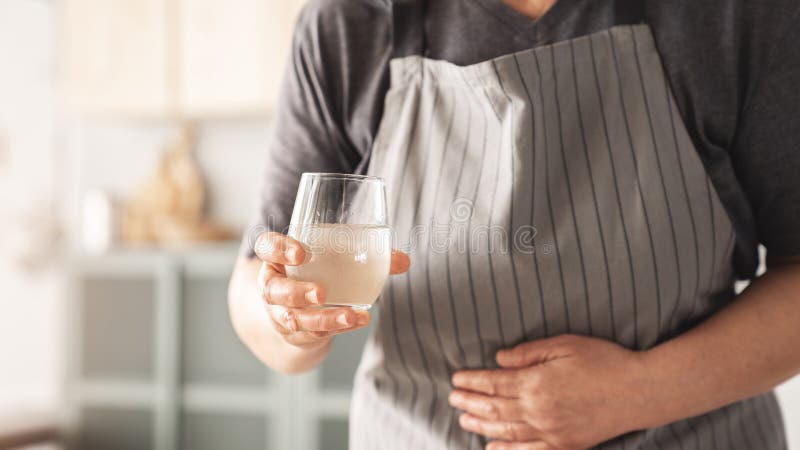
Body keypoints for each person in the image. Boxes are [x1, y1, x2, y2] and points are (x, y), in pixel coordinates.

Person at [228, 0, 800, 448]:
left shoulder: (737, 17)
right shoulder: (345, 27)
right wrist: (285, 317)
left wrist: (641, 392)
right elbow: (256, 286)